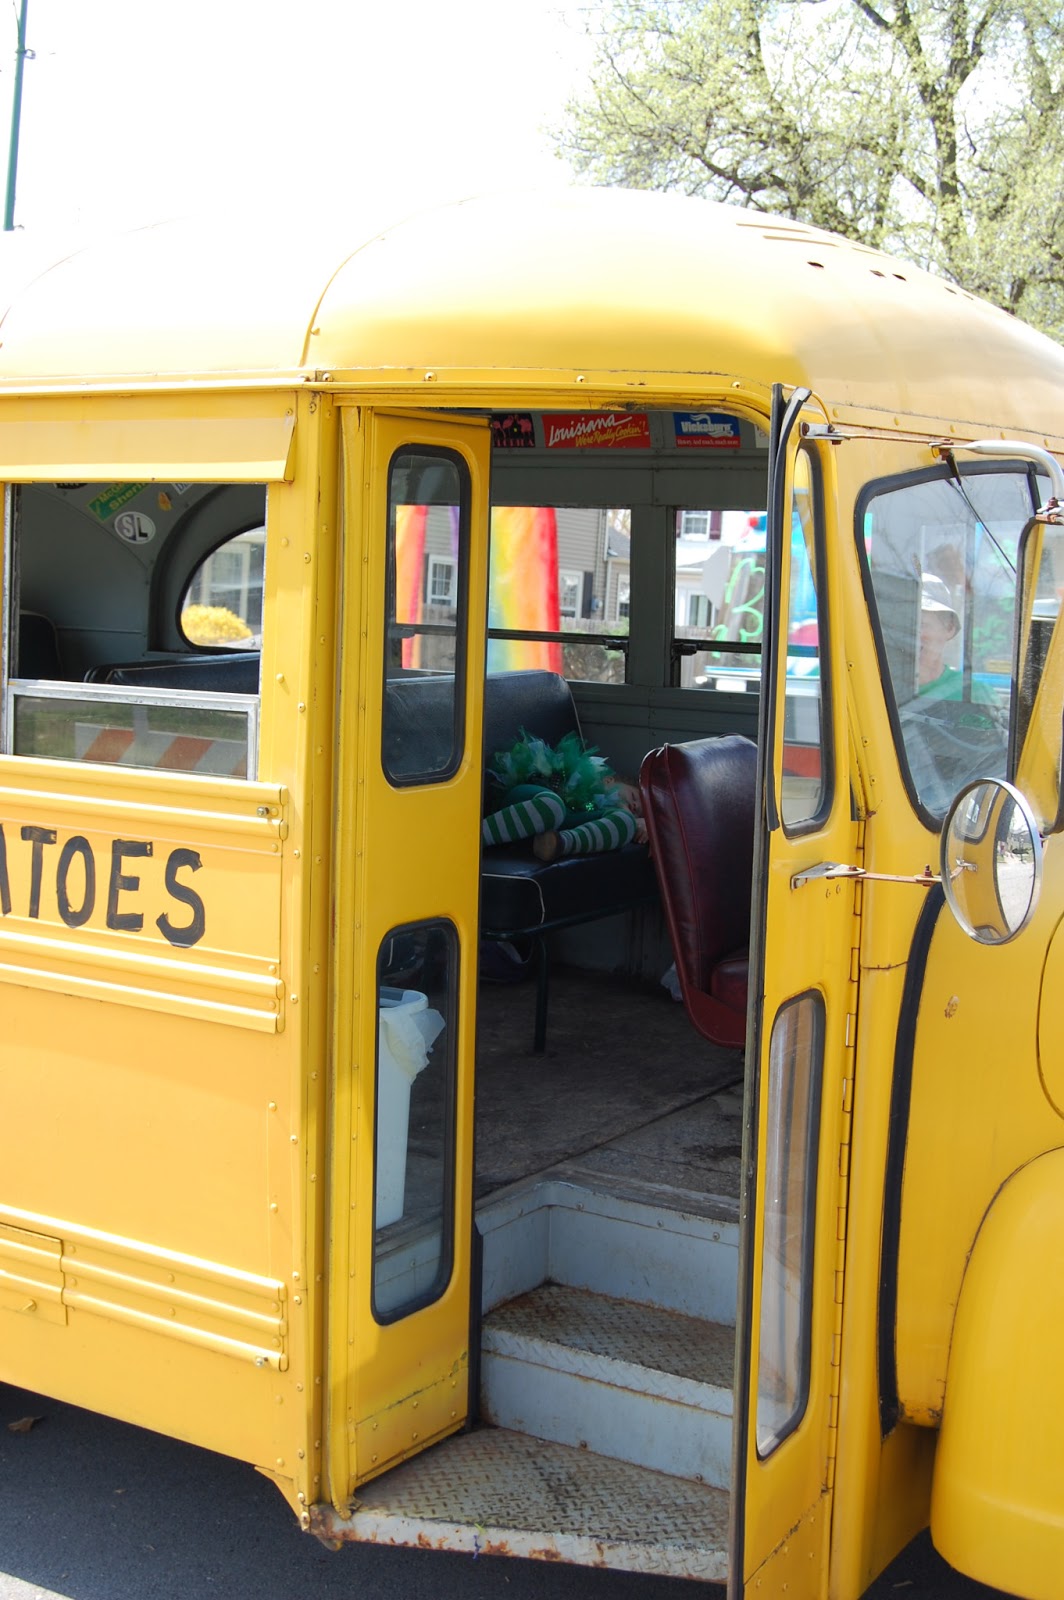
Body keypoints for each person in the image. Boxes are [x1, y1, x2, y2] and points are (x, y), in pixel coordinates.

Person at [481, 730, 647, 861]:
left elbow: (624, 820)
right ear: (609, 780)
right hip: (531, 797)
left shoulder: (597, 814)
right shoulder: (587, 776)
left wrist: (638, 821)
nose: (635, 805)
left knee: (626, 823)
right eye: (634, 796)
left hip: (550, 831)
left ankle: (559, 843)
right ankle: (474, 838)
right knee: (553, 807)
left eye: (638, 810)